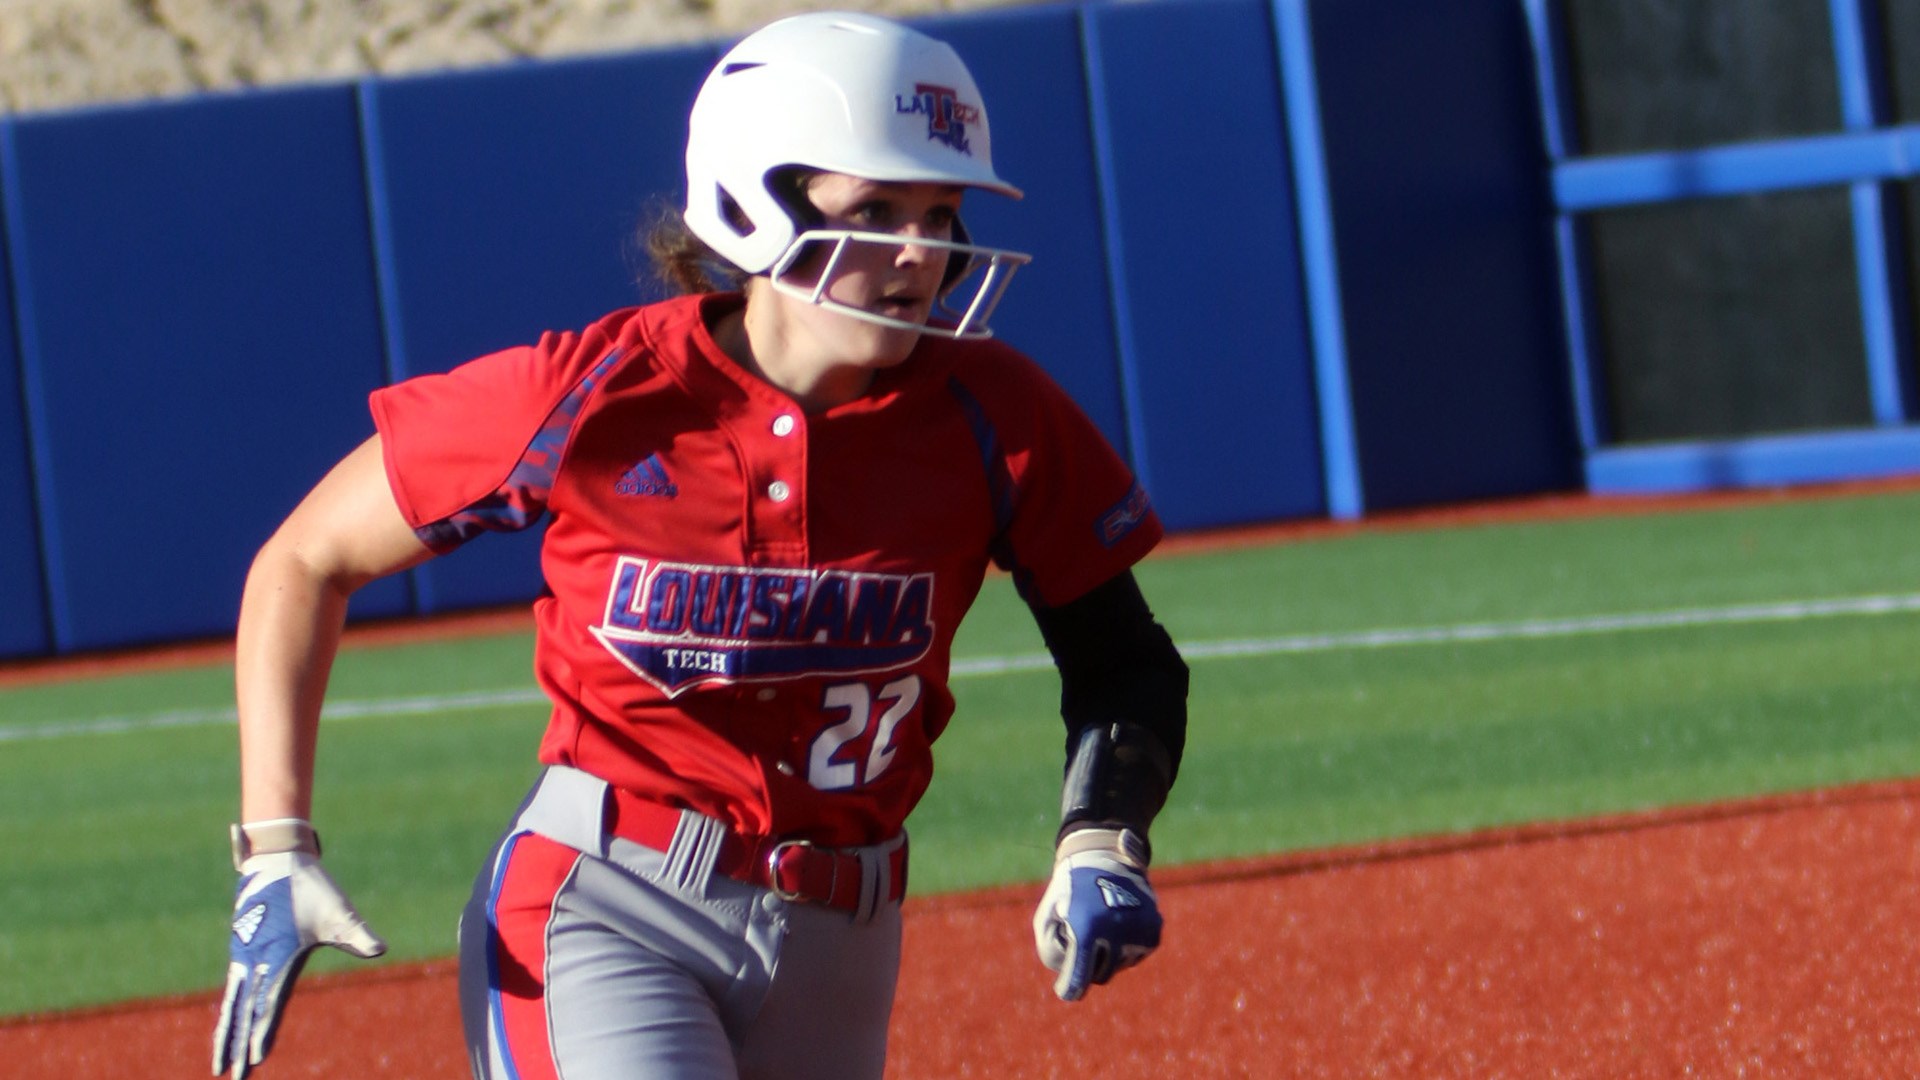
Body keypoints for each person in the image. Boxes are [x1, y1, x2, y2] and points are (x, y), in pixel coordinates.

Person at [211, 11, 1188, 1080]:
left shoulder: (992, 410)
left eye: (941, 211)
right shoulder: (593, 396)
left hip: (843, 936)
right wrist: (273, 848)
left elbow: (1123, 661)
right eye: (877, 208)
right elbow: (305, 559)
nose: (922, 250)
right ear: (748, 202)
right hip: (607, 906)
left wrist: (1103, 835)